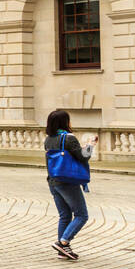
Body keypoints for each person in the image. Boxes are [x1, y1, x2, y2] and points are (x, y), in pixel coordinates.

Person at [45, 109, 95, 260]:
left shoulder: (48, 139)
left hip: (53, 181)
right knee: (81, 215)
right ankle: (63, 242)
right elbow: (83, 157)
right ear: (65, 122)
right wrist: (91, 144)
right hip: (68, 181)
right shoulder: (68, 138)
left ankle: (63, 250)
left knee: (65, 216)